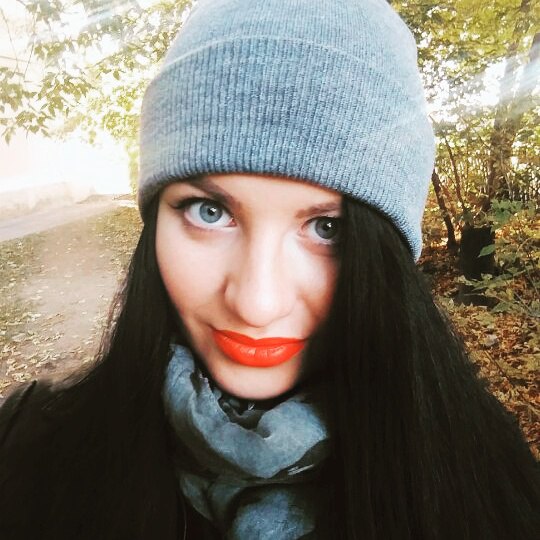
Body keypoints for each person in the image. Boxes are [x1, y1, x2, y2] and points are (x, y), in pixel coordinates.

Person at [0, 0, 538, 538]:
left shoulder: (488, 483)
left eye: (328, 228)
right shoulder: (27, 451)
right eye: (209, 212)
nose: (256, 304)